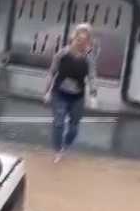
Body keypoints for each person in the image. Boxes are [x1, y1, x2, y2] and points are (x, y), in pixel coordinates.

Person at [42, 23, 98, 162]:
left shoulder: (89, 57)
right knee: (59, 122)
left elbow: (92, 76)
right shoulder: (63, 53)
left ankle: (65, 145)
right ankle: (57, 150)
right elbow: (51, 72)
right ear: (74, 38)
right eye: (79, 39)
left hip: (77, 96)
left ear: (88, 42)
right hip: (60, 93)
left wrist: (93, 95)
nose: (81, 43)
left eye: (85, 41)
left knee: (73, 127)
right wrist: (46, 92)